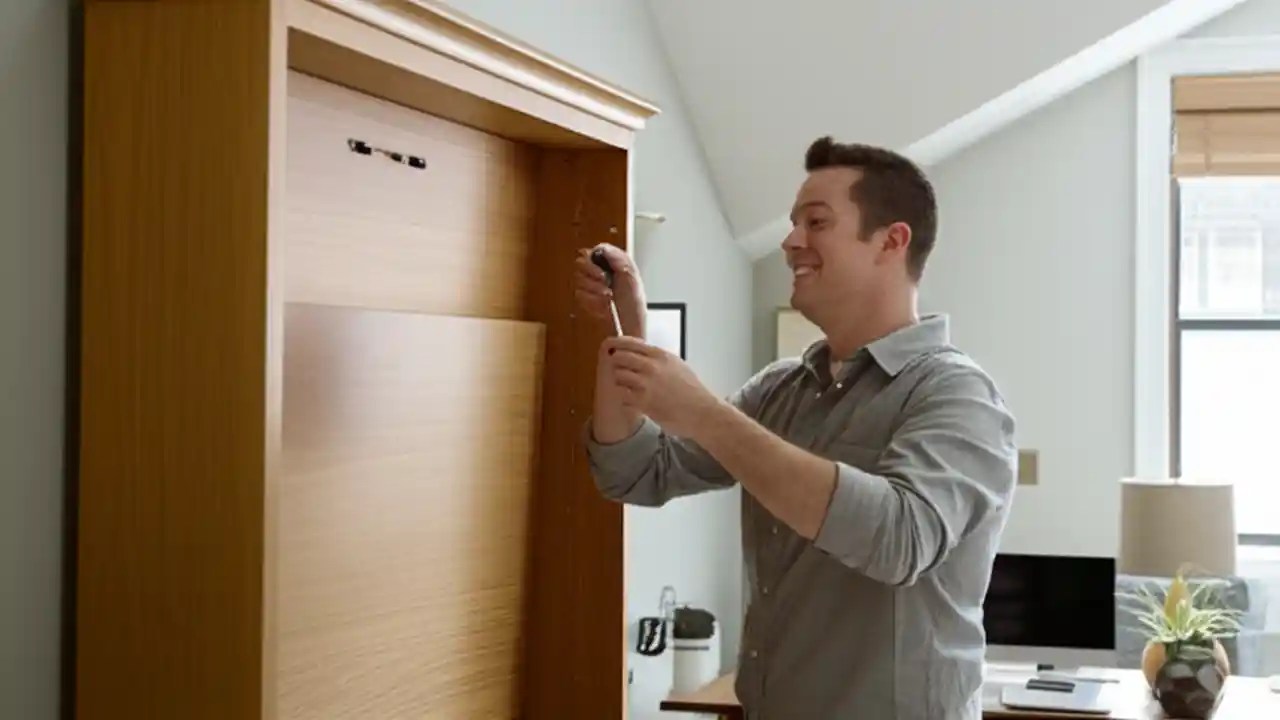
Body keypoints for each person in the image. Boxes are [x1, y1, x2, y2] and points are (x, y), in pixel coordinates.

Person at [574, 136, 1017, 719]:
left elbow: (899, 538)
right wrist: (627, 329)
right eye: (793, 223)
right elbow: (635, 473)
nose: (789, 242)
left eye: (817, 222)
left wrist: (708, 415)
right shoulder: (781, 390)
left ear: (892, 240)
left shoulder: (957, 394)